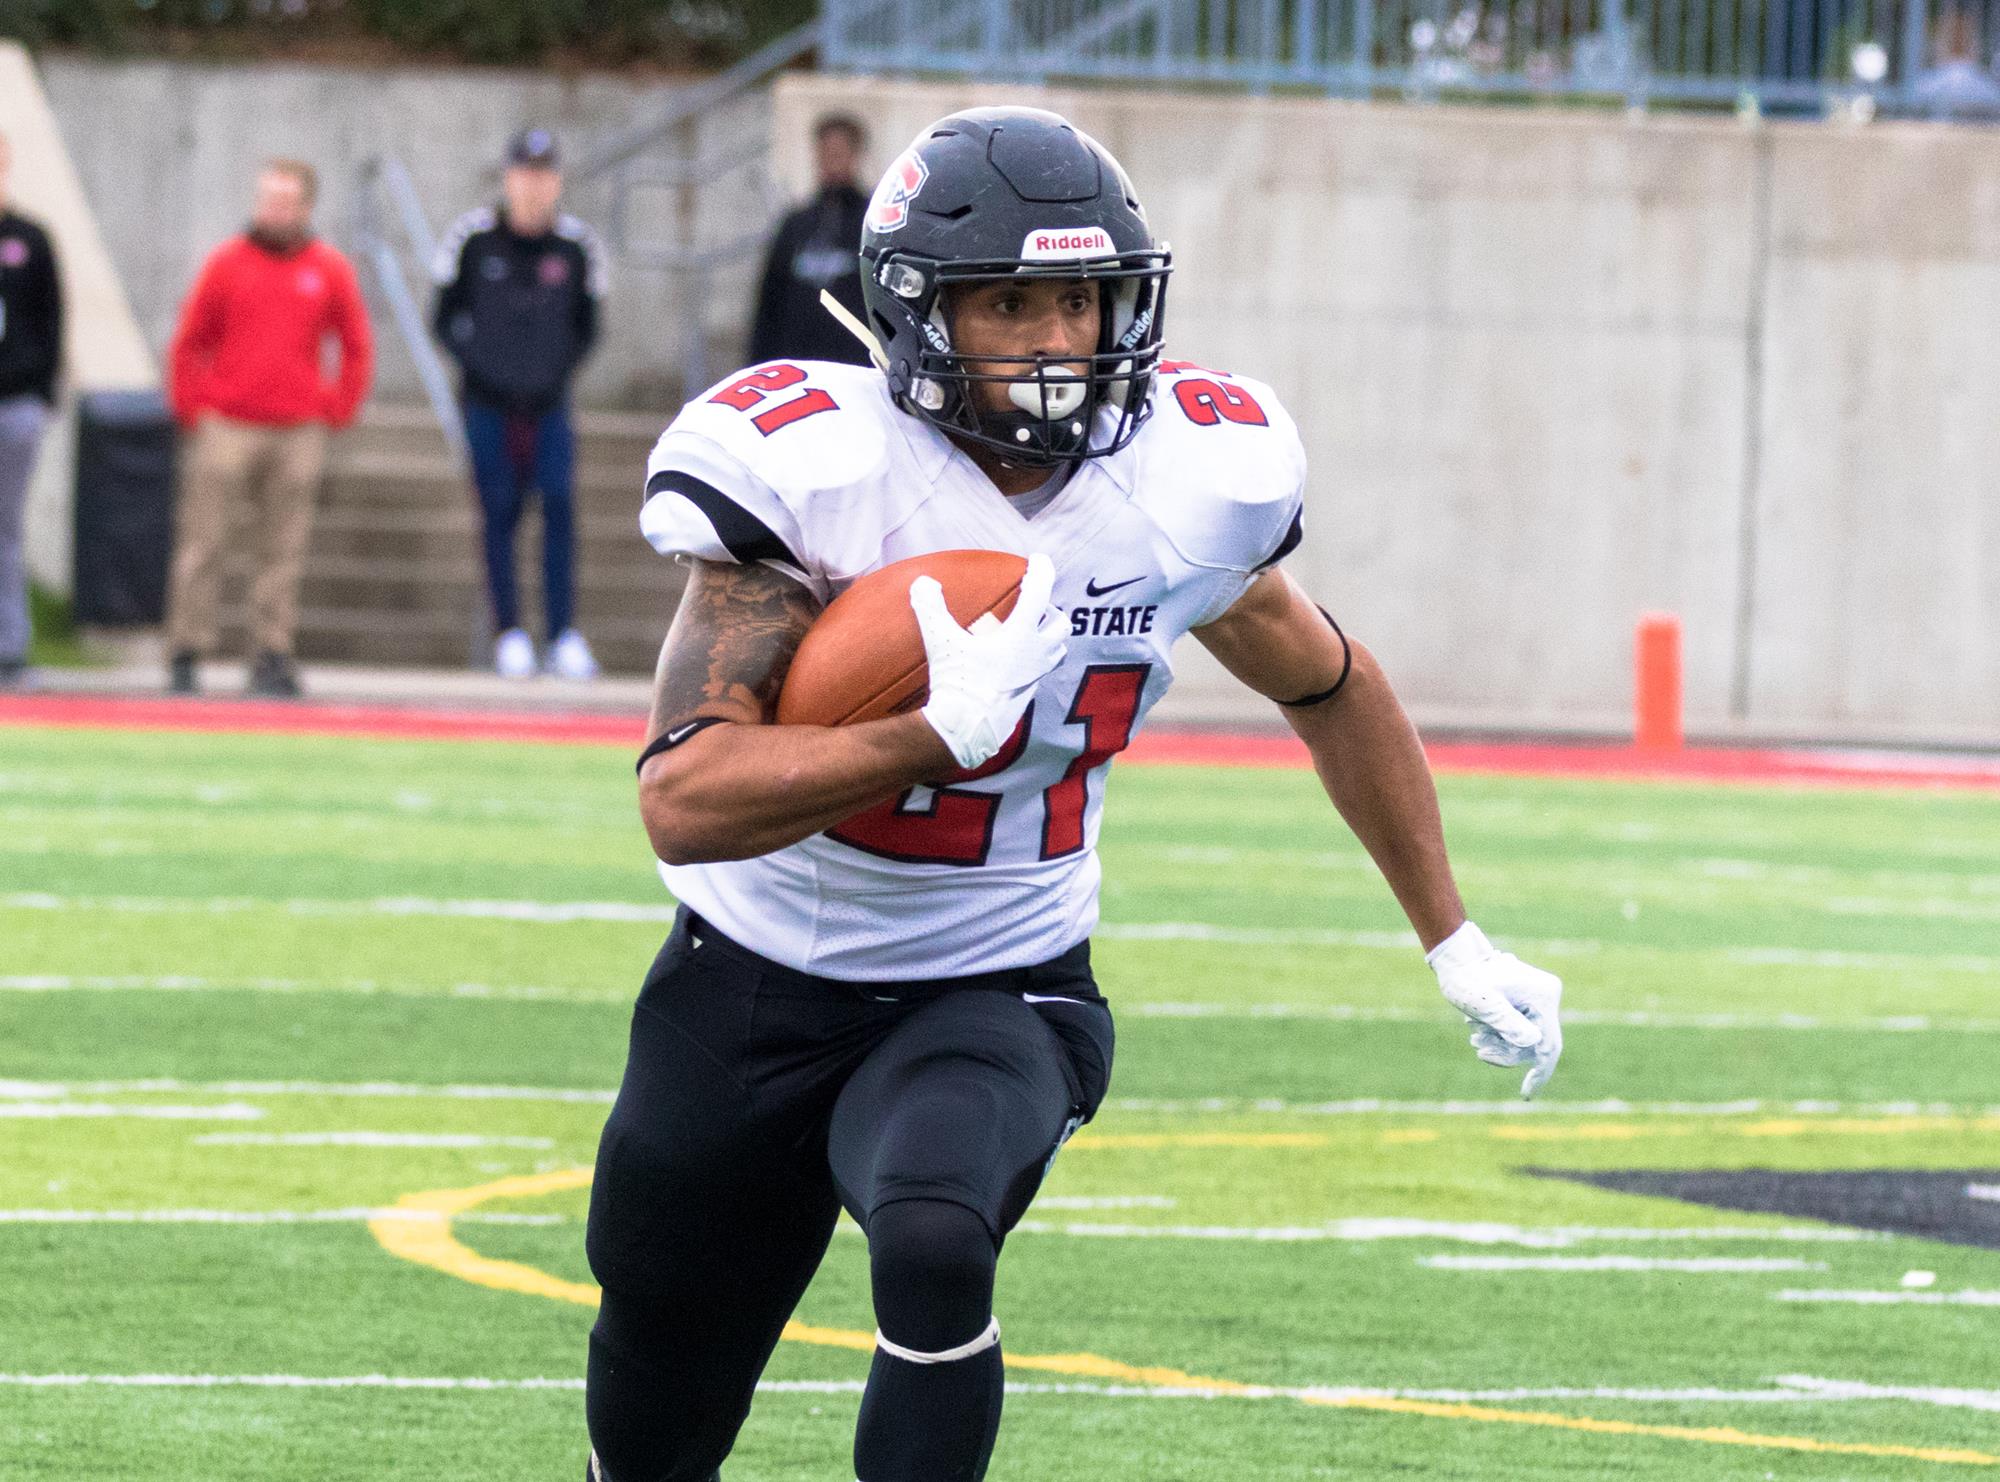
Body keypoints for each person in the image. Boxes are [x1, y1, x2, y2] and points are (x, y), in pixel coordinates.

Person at [594, 107, 1565, 1482]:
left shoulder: (1183, 484)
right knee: (656, 1403)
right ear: (919, 313)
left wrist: (1450, 932)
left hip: (1000, 979)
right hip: (746, 980)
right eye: (1009, 302)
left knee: (935, 1238)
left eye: (1081, 296)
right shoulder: (817, 470)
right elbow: (686, 798)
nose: (1058, 336)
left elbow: (1332, 684)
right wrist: (930, 735)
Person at [165, 158, 372, 698]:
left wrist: (336, 405)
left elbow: (355, 344)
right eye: (266, 199)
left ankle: (271, 651)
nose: (272, 210)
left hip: (296, 428)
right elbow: (190, 340)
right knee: (203, 542)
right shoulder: (227, 263)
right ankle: (187, 649)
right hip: (228, 423)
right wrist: (194, 407)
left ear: (305, 208)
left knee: (283, 550)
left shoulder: (328, 268)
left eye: (284, 201)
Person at [432, 128, 607, 681]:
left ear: (557, 182)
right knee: (498, 512)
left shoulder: (577, 246)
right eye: (524, 175)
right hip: (487, 405)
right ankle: (508, 630)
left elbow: (587, 327)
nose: (534, 187)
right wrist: (489, 370)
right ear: (508, 178)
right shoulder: (472, 238)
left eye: (544, 176)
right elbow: (444, 318)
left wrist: (548, 372)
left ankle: (562, 633)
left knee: (558, 508)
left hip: (550, 405)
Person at [0, 130, 62, 691]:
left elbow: (50, 322)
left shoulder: (29, 240)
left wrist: (41, 393)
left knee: (5, 529)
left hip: (13, 406)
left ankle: (10, 647)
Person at [746, 113, 872, 369]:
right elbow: (770, 303)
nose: (832, 161)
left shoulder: (873, 223)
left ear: (856, 155)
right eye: (826, 152)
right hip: (797, 369)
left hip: (855, 370)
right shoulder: (795, 224)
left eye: (840, 152)